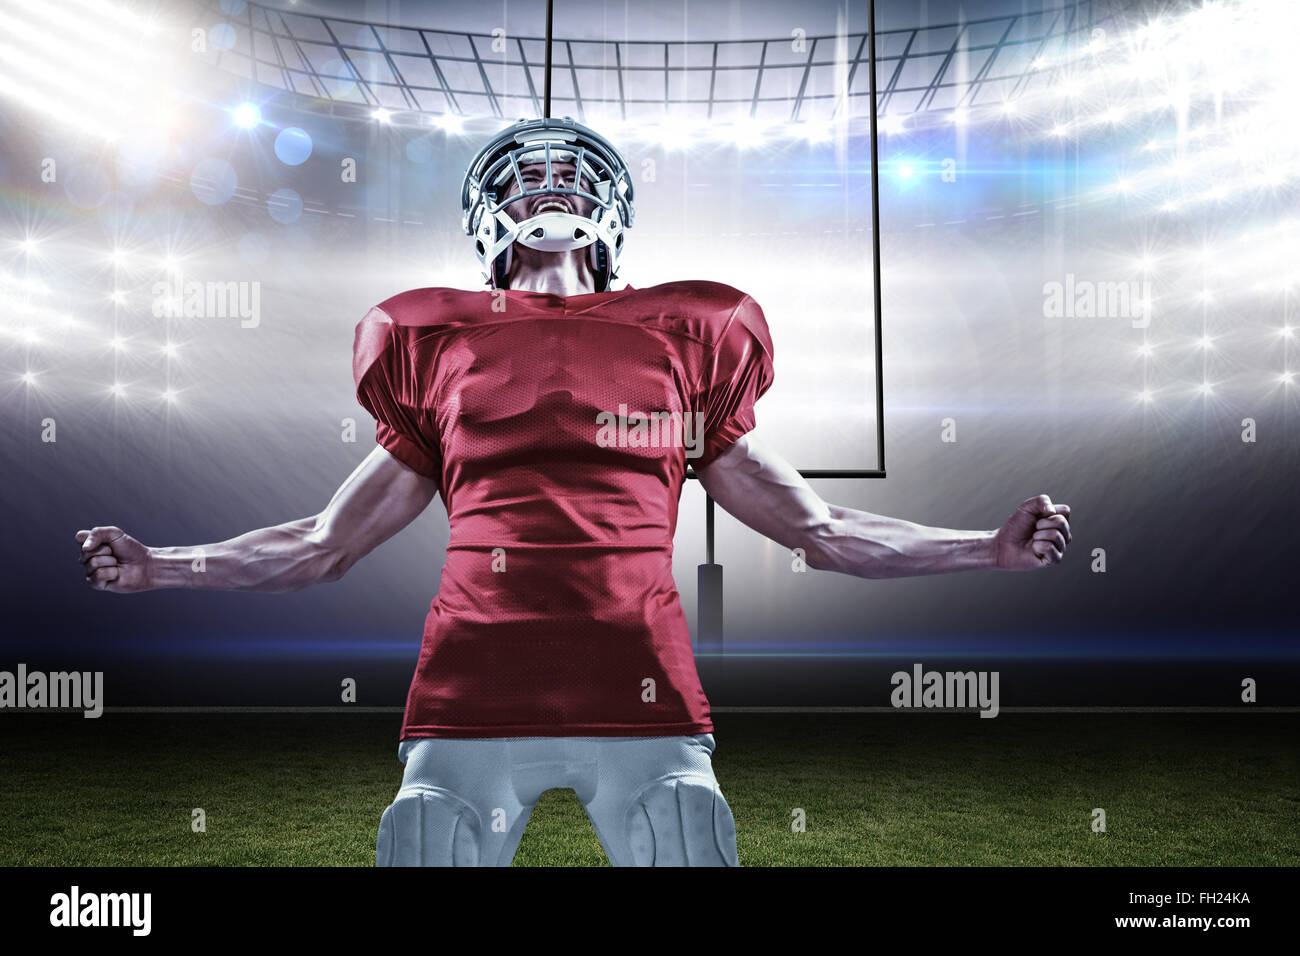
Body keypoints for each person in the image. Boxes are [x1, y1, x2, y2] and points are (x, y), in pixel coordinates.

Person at [77, 118, 1071, 866]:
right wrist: (165, 565)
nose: (548, 188)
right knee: (426, 839)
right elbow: (323, 544)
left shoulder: (689, 335)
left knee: (687, 834)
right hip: (470, 697)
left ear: (611, 207)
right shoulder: (431, 340)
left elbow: (815, 528)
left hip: (643, 700)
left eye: (567, 171)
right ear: (487, 211)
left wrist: (985, 546)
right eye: (528, 174)